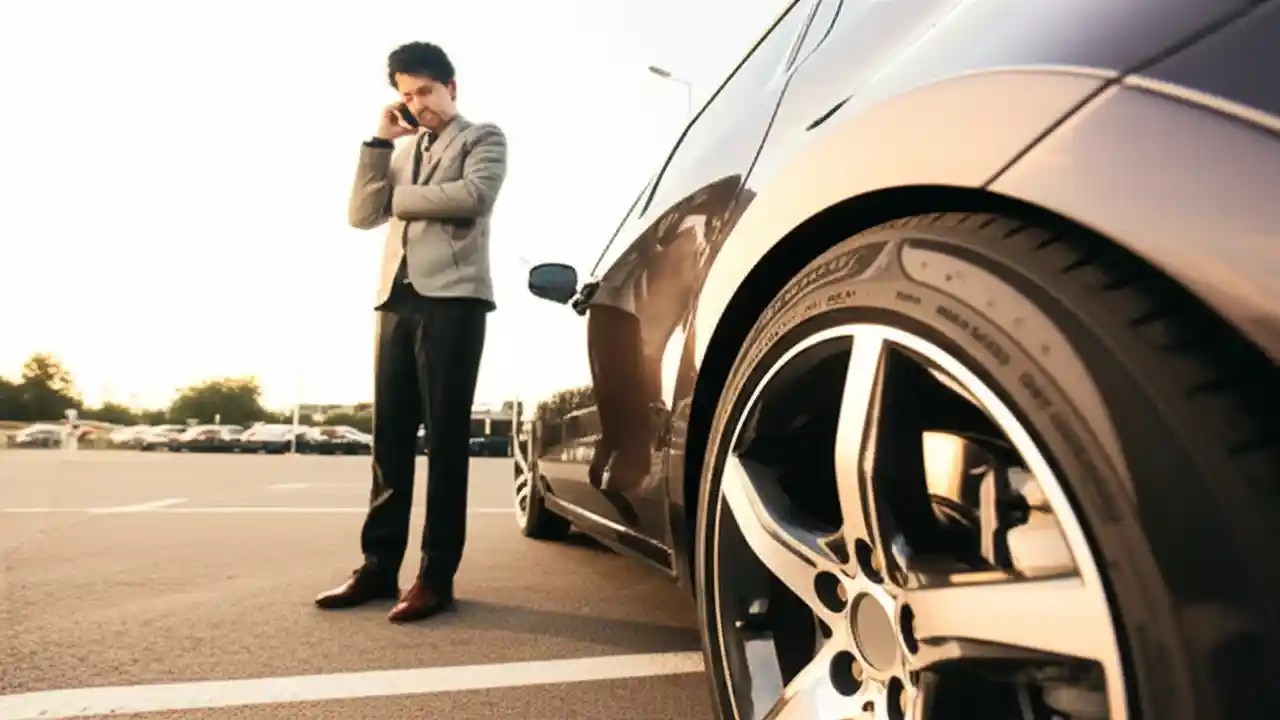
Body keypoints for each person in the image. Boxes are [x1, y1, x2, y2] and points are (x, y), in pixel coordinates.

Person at [314, 41, 508, 623]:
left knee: (446, 442)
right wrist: (379, 142)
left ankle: (435, 575)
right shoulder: (397, 152)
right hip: (394, 302)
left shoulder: (484, 137)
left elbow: (474, 198)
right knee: (390, 439)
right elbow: (359, 213)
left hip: (454, 301)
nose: (417, 103)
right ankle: (378, 567)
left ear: (452, 86)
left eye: (425, 90)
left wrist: (393, 200)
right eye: (405, 94)